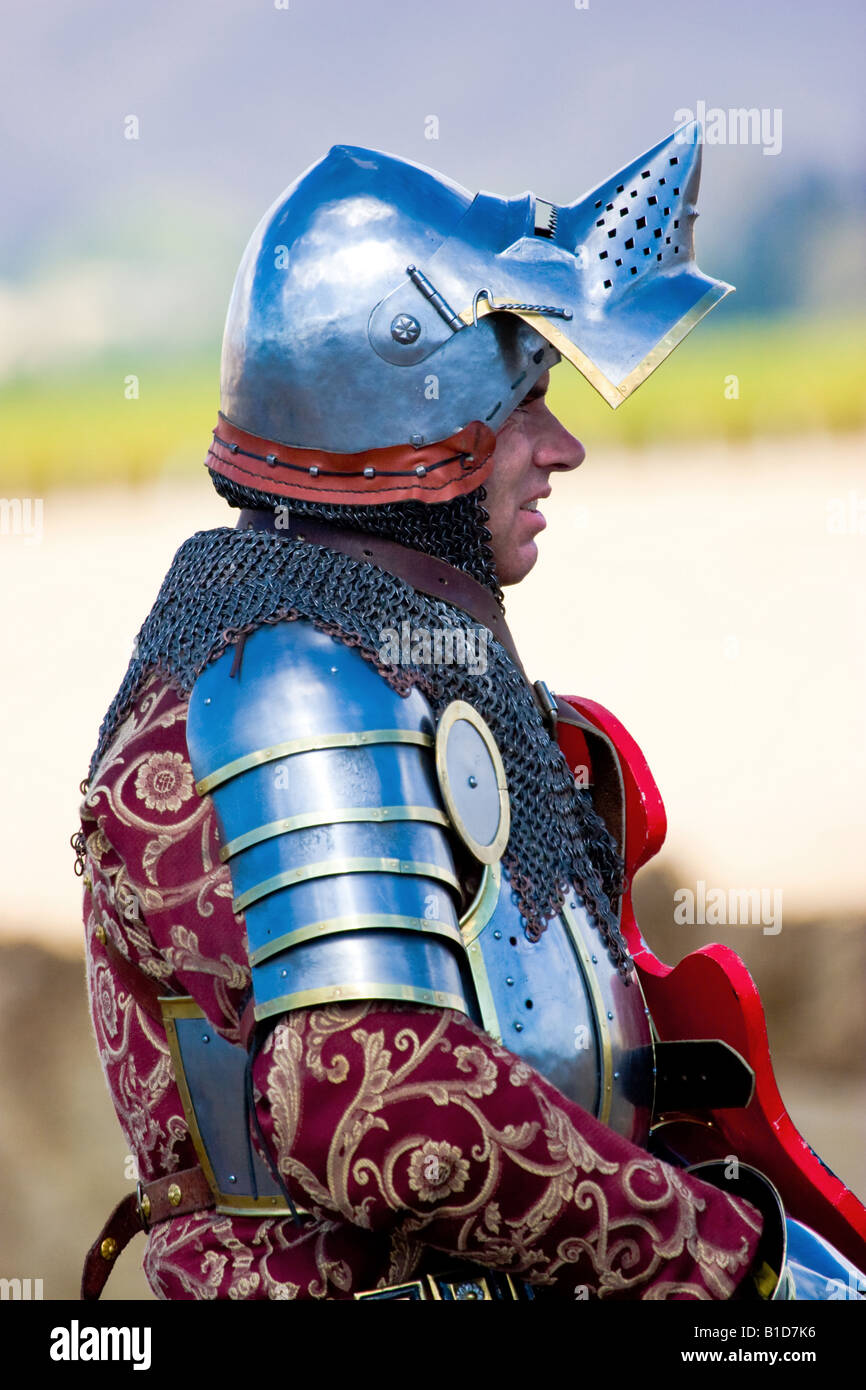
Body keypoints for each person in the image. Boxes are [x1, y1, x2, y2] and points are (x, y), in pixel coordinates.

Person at [76, 130, 865, 1302]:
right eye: (527, 406)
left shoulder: (387, 672)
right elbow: (370, 1108)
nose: (562, 449)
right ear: (414, 430)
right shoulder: (279, 693)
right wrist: (727, 1263)